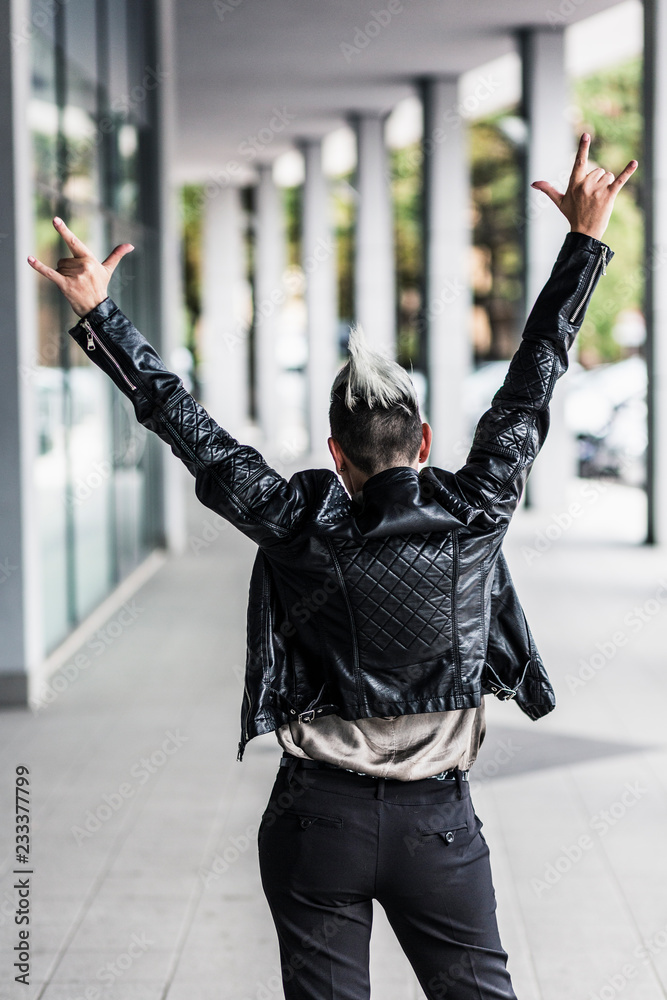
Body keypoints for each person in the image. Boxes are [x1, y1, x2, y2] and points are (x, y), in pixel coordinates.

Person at [29, 133, 637, 1000]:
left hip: (319, 819)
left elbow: (184, 424)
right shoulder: (476, 511)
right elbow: (535, 374)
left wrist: (99, 314)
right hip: (439, 827)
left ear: (333, 453)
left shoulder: (295, 523)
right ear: (422, 442)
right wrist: (584, 239)